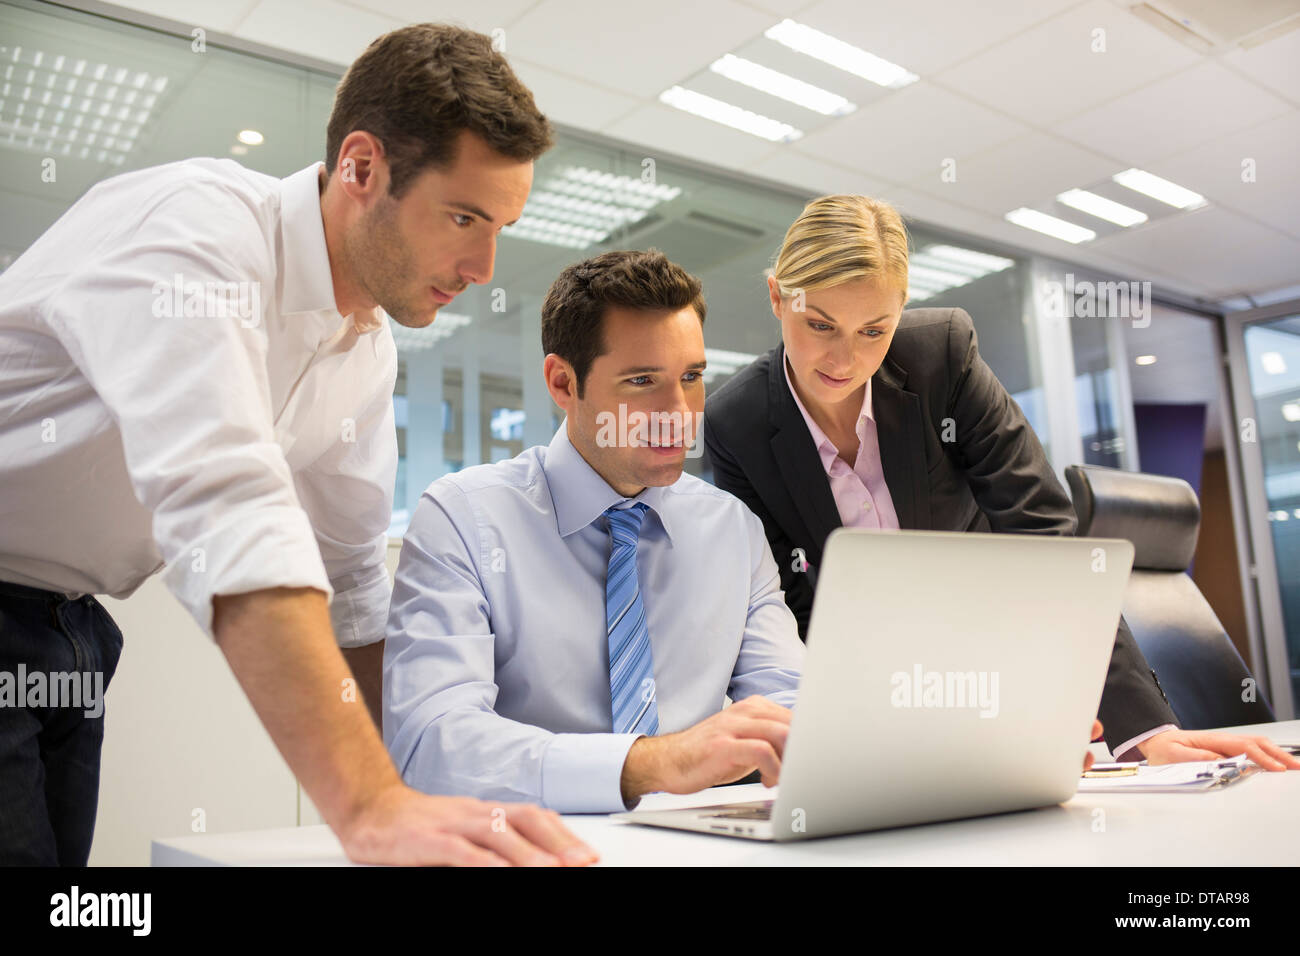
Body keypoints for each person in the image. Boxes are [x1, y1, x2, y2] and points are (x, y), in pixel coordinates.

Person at [0, 23, 596, 867]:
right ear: (361, 167)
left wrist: (428, 791)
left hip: (71, 629)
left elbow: (351, 582)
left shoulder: (365, 346)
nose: (484, 266)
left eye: (500, 225)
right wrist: (369, 806)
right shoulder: (196, 236)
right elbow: (228, 510)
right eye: (464, 216)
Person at [702, 194, 1300, 772]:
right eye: (820, 324)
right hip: (865, 698)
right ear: (779, 298)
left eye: (873, 331)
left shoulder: (942, 357)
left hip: (995, 660)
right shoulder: (738, 424)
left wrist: (1145, 732)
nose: (845, 359)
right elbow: (789, 607)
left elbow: (1041, 535)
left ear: (902, 307)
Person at [383, 249, 805, 812]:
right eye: (641, 380)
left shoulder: (733, 532)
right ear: (563, 383)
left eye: (692, 377)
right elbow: (431, 743)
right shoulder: (464, 520)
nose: (680, 412)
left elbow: (791, 703)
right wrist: (652, 764)